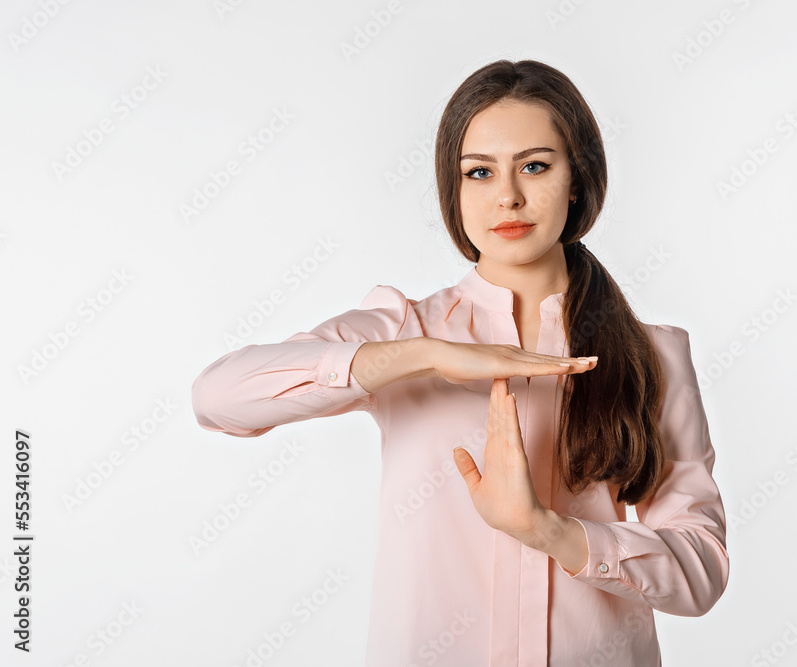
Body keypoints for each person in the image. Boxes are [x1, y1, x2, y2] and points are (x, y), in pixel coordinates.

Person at [191, 58, 728, 666]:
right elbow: (217, 399)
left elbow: (701, 568)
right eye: (479, 172)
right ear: (455, 188)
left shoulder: (648, 354)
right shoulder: (403, 330)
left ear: (575, 179)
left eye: (534, 165)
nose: (508, 196)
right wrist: (427, 356)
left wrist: (550, 532)